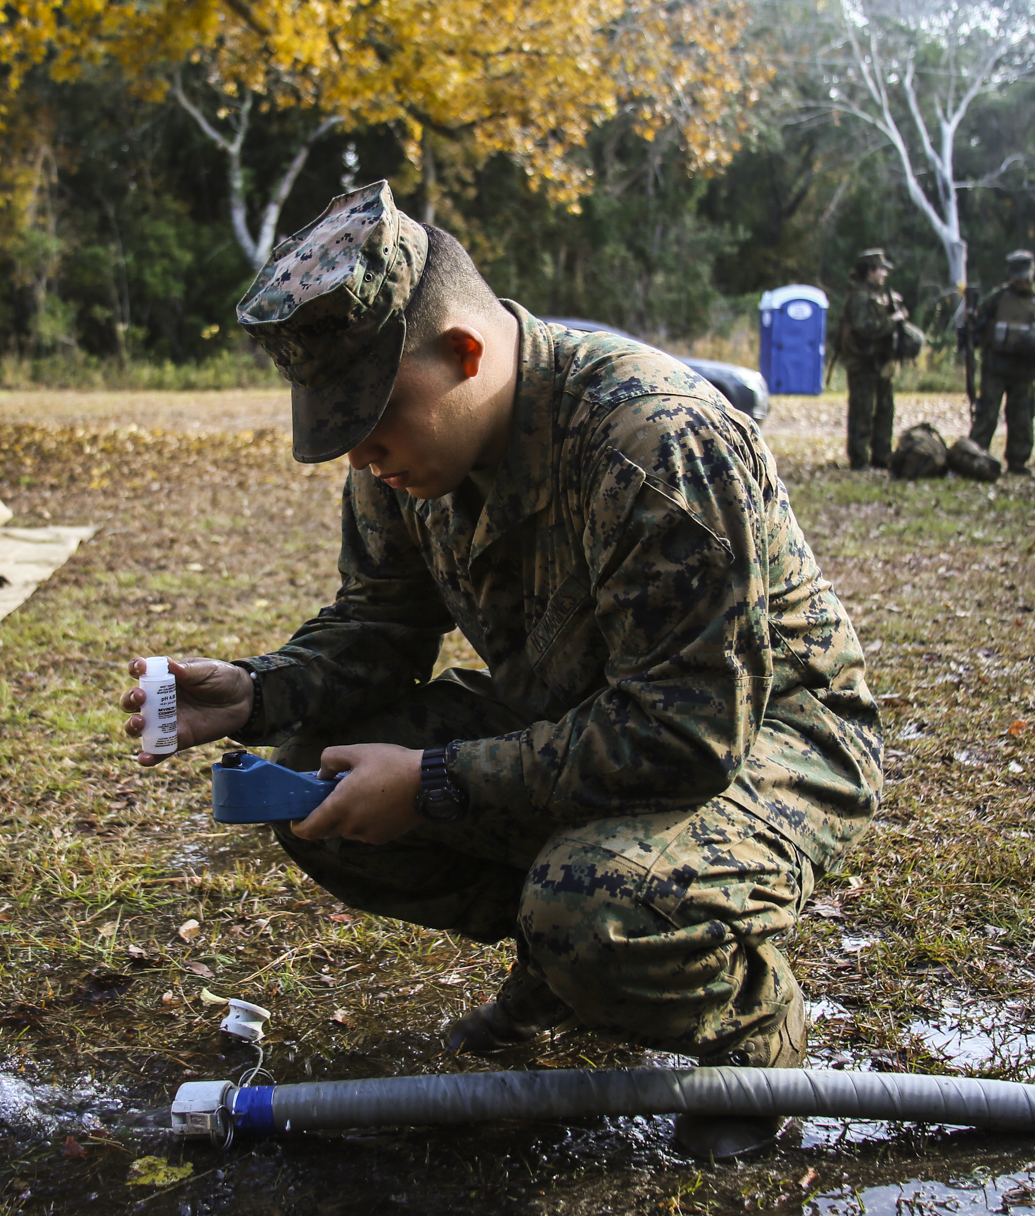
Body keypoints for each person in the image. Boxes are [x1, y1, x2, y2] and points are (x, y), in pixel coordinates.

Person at [116, 182, 882, 1162]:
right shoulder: (406, 458)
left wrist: (437, 785)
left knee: (593, 903)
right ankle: (560, 967)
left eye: (372, 416)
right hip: (577, 713)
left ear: (463, 355)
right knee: (314, 772)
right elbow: (382, 622)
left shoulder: (655, 442)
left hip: (770, 738)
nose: (358, 450)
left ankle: (749, 1030)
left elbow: (686, 732)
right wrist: (260, 689)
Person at [967, 250, 1035, 475]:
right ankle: (975, 456)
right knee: (986, 414)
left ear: (1032, 274)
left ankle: (1018, 460)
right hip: (995, 366)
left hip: (1024, 371)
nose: (1020, 282)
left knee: (1022, 417)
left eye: (1024, 277)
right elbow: (977, 320)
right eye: (1016, 277)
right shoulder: (998, 298)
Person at [838, 248, 906, 470]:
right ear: (870, 271)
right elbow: (863, 328)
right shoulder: (858, 297)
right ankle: (859, 459)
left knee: (885, 410)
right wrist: (891, 321)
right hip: (863, 364)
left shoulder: (882, 296)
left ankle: (881, 456)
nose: (884, 274)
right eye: (881, 270)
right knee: (863, 411)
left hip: (882, 363)